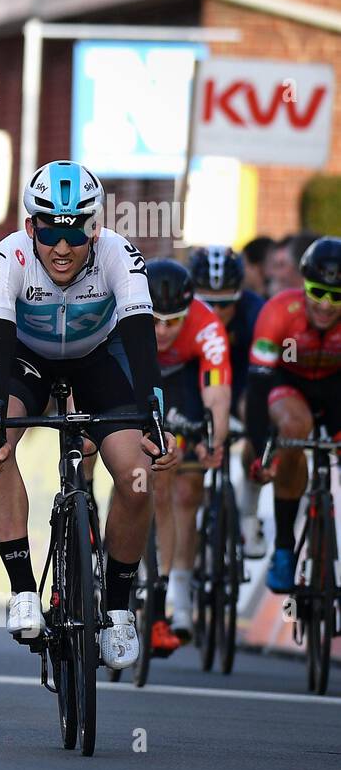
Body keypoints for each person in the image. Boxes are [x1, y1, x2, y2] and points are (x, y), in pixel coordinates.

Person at [0, 160, 178, 670]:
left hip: (98, 360)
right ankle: (22, 588)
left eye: (75, 232)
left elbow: (140, 343)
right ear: (29, 228)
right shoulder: (8, 258)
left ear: (96, 228)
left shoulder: (119, 256)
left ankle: (118, 607)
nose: (61, 247)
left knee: (136, 475)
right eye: (49, 230)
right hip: (24, 360)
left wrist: (155, 414)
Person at [246, 236, 341, 594]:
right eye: (319, 292)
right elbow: (257, 389)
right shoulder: (277, 313)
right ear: (304, 285)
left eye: (338, 295)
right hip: (291, 385)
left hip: (335, 389)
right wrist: (259, 453)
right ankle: (284, 546)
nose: (328, 305)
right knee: (294, 428)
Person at [148, 259, 232, 653]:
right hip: (137, 374)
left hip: (183, 385)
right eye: (155, 320)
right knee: (138, 474)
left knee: (184, 490)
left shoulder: (206, 323)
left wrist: (214, 435)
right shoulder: (122, 309)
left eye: (173, 321)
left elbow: (216, 388)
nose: (163, 330)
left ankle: (178, 597)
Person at [188, 245, 267, 557]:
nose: (215, 314)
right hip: (197, 384)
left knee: (259, 420)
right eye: (207, 303)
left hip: (242, 385)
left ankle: (248, 516)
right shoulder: (182, 313)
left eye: (225, 305)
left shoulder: (255, 311)